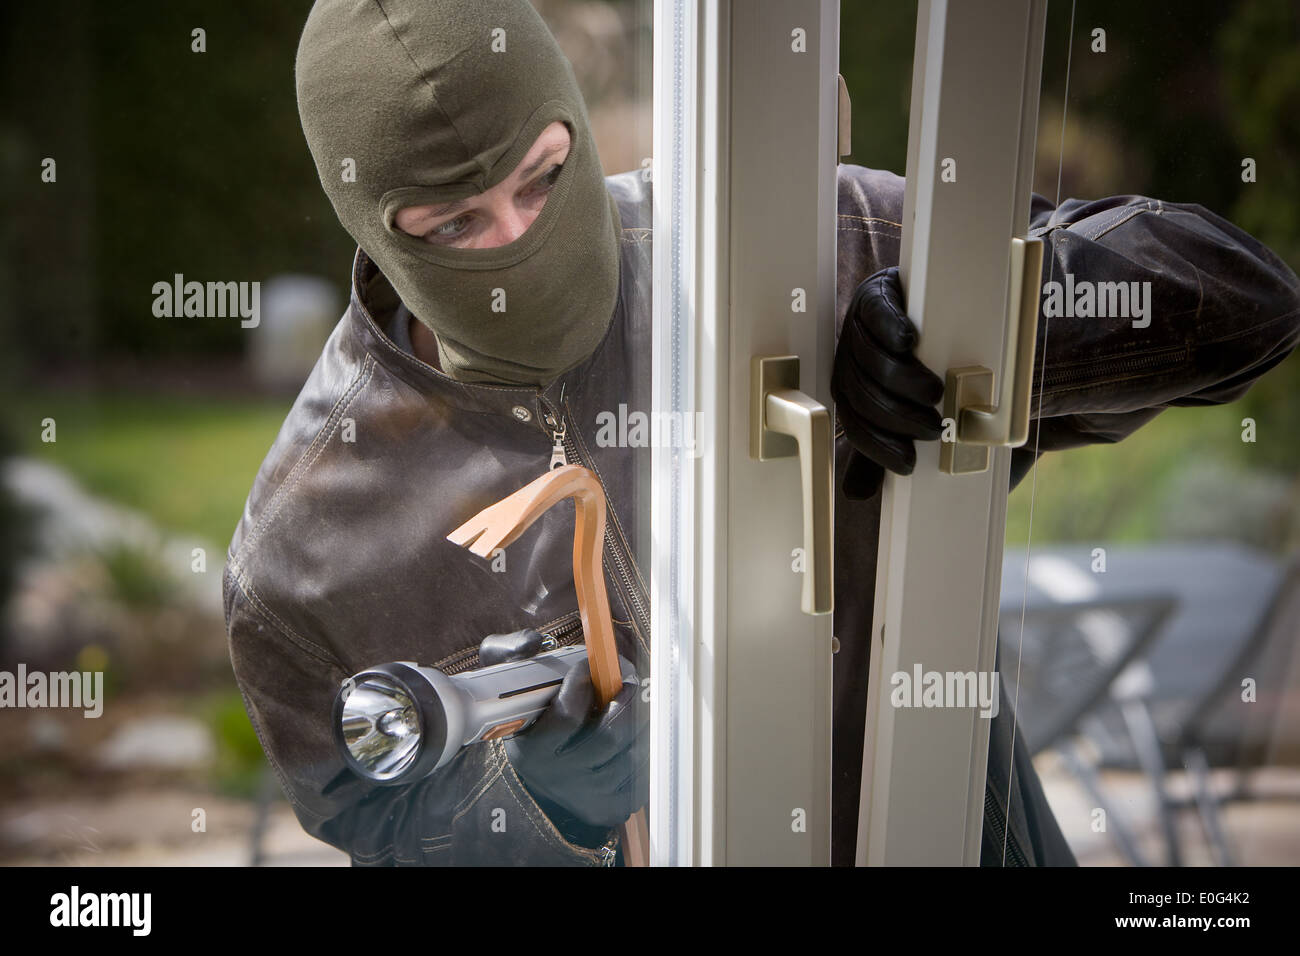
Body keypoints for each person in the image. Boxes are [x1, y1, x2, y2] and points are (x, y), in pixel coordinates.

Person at [224, 0, 1300, 866]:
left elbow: (1245, 304)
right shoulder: (310, 549)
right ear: (374, 227)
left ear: (576, 126)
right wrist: (535, 815)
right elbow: (376, 825)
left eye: (544, 178)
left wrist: (987, 321)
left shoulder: (776, 250)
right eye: (453, 224)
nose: (513, 242)